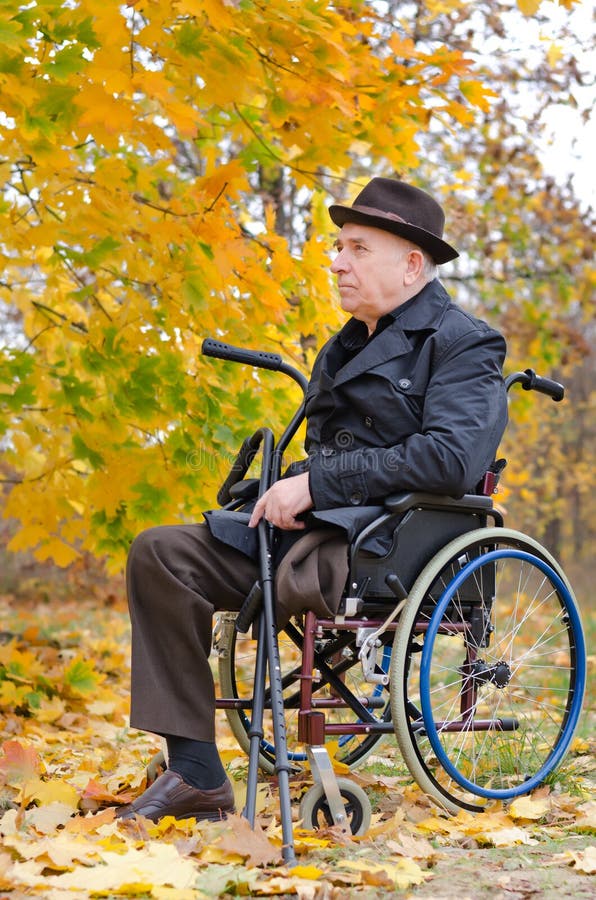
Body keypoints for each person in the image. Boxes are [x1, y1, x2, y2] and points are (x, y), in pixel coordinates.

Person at [116, 178, 508, 822]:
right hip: (318, 533)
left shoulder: (463, 342)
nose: (337, 262)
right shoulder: (344, 345)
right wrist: (279, 484)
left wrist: (319, 485)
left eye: (357, 248)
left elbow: (450, 459)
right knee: (162, 554)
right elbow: (328, 454)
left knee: (286, 559)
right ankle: (196, 772)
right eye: (338, 247)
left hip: (389, 546)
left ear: (412, 265)